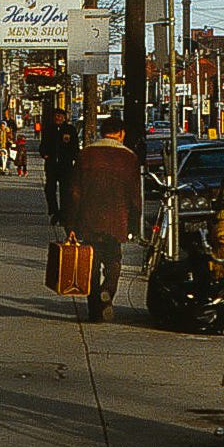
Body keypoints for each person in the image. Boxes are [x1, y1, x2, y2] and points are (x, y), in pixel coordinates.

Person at [66, 115, 142, 322]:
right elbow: (135, 195)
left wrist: (70, 224)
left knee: (91, 264)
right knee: (113, 260)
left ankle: (94, 311)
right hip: (116, 219)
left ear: (102, 132)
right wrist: (134, 224)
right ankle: (108, 290)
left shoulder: (86, 154)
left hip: (89, 218)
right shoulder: (129, 158)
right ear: (121, 133)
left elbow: (74, 191)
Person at [39, 108, 79, 224]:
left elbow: (74, 146)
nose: (58, 118)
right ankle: (54, 211)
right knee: (50, 189)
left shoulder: (70, 130)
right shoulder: (49, 129)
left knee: (65, 191)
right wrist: (44, 154)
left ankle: (63, 214)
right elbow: (43, 144)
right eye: (56, 116)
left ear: (64, 118)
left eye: (60, 116)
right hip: (51, 165)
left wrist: (74, 159)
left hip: (65, 166)